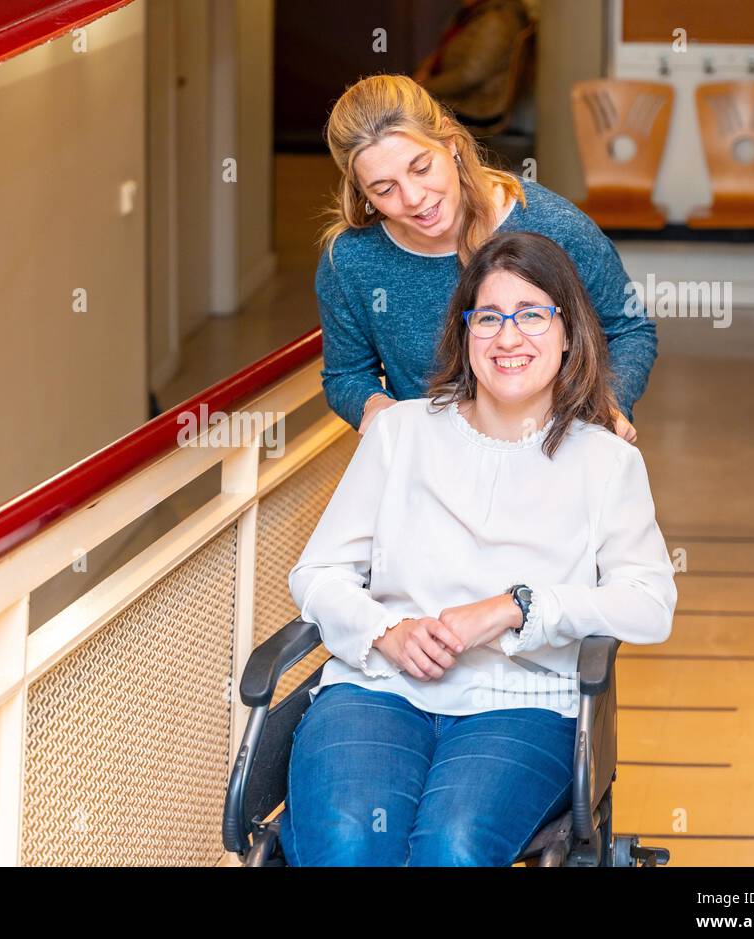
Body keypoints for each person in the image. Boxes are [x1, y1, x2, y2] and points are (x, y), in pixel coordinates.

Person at [278, 230, 677, 866]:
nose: (508, 337)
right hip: (378, 689)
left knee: (451, 847)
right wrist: (388, 630)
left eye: (532, 315)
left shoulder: (606, 462)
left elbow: (650, 603)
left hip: (523, 701)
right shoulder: (400, 434)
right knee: (351, 844)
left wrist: (517, 607)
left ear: (569, 332)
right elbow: (319, 573)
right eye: (488, 317)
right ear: (465, 334)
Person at [316, 73, 656, 443]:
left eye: (421, 168)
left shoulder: (551, 224)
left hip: (551, 454)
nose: (413, 197)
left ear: (451, 143)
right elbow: (346, 374)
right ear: (362, 192)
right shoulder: (350, 261)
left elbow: (628, 328)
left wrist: (609, 402)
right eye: (385, 189)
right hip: (433, 467)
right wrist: (372, 404)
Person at [412, 0, 533, 129]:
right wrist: (425, 71)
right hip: (467, 97)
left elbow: (469, 76)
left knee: (406, 110)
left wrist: (421, 86)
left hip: (477, 106)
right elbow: (444, 51)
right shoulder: (476, 13)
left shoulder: (496, 21)